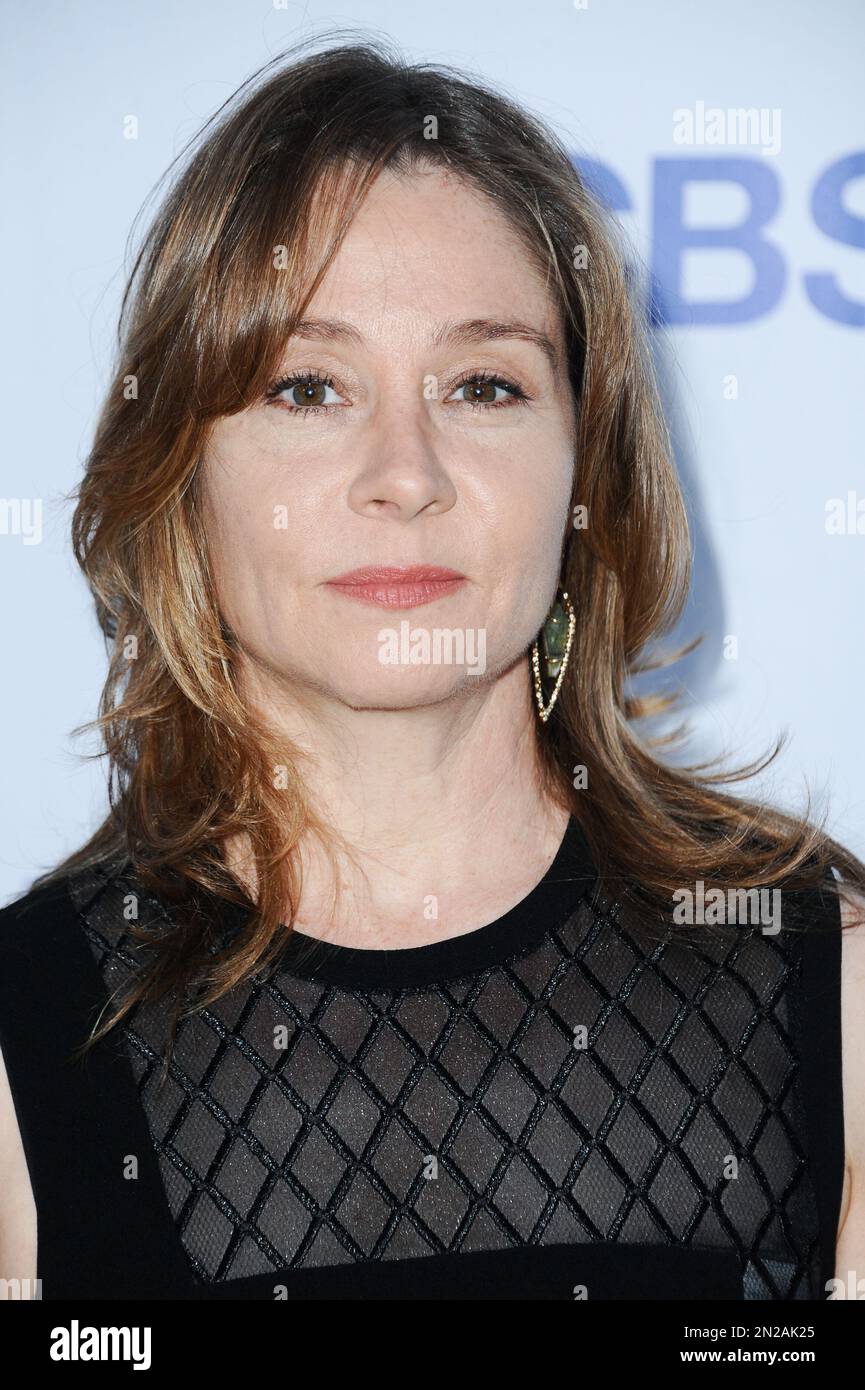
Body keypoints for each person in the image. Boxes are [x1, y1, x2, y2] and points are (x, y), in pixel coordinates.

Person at [1, 36, 863, 1302]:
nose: (403, 474)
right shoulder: (24, 1044)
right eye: (306, 386)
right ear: (183, 474)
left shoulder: (831, 989)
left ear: (588, 464)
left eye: (481, 384)